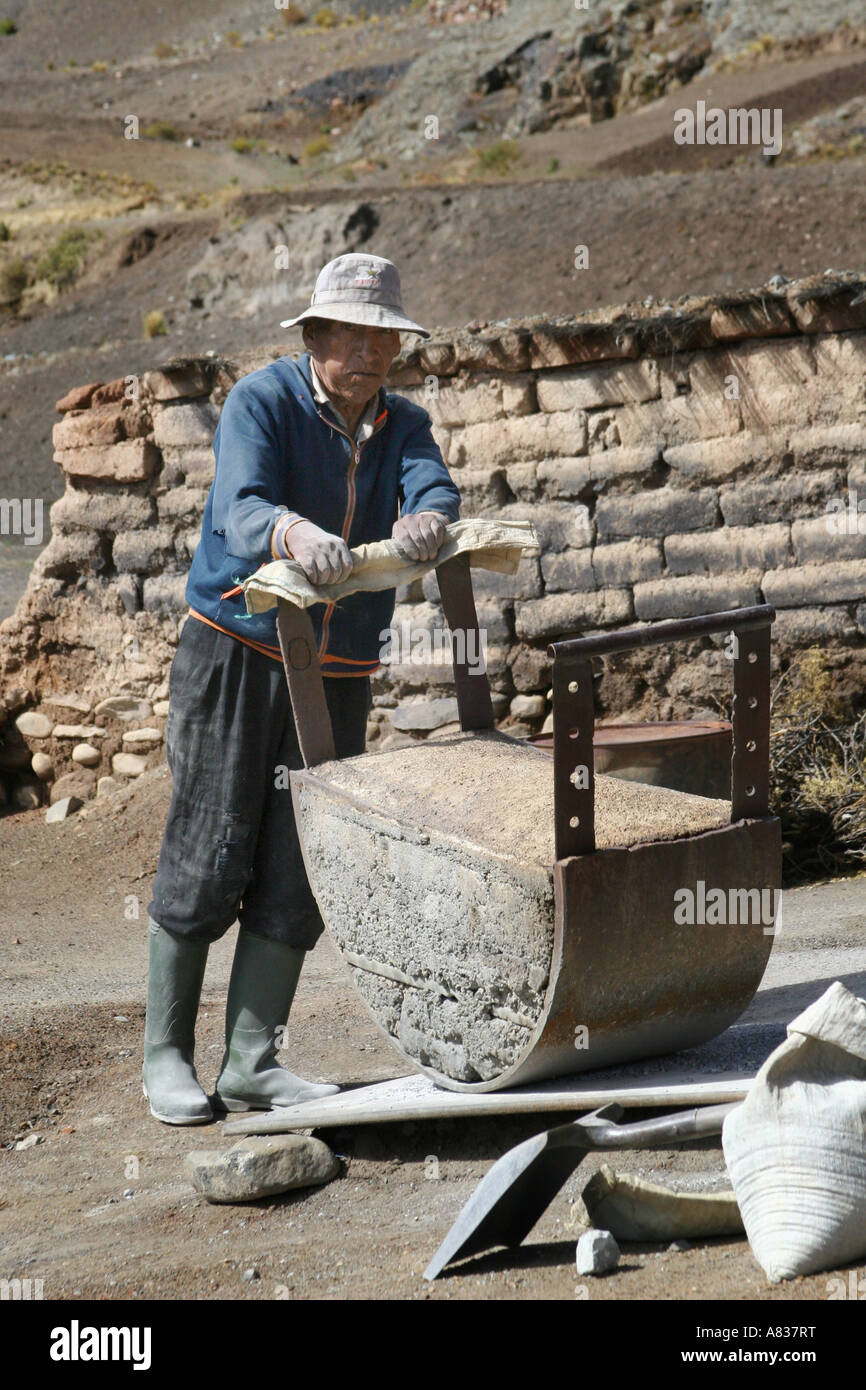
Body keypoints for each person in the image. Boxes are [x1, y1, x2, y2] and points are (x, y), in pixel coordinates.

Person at [142, 253, 461, 1124]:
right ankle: (166, 1058)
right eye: (351, 333)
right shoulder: (262, 402)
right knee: (211, 844)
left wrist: (429, 513)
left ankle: (252, 1063)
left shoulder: (403, 421)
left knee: (296, 862)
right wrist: (289, 528)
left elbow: (430, 483)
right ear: (314, 336)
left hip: (337, 670)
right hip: (236, 652)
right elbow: (239, 507)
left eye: (384, 335)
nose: (369, 351)